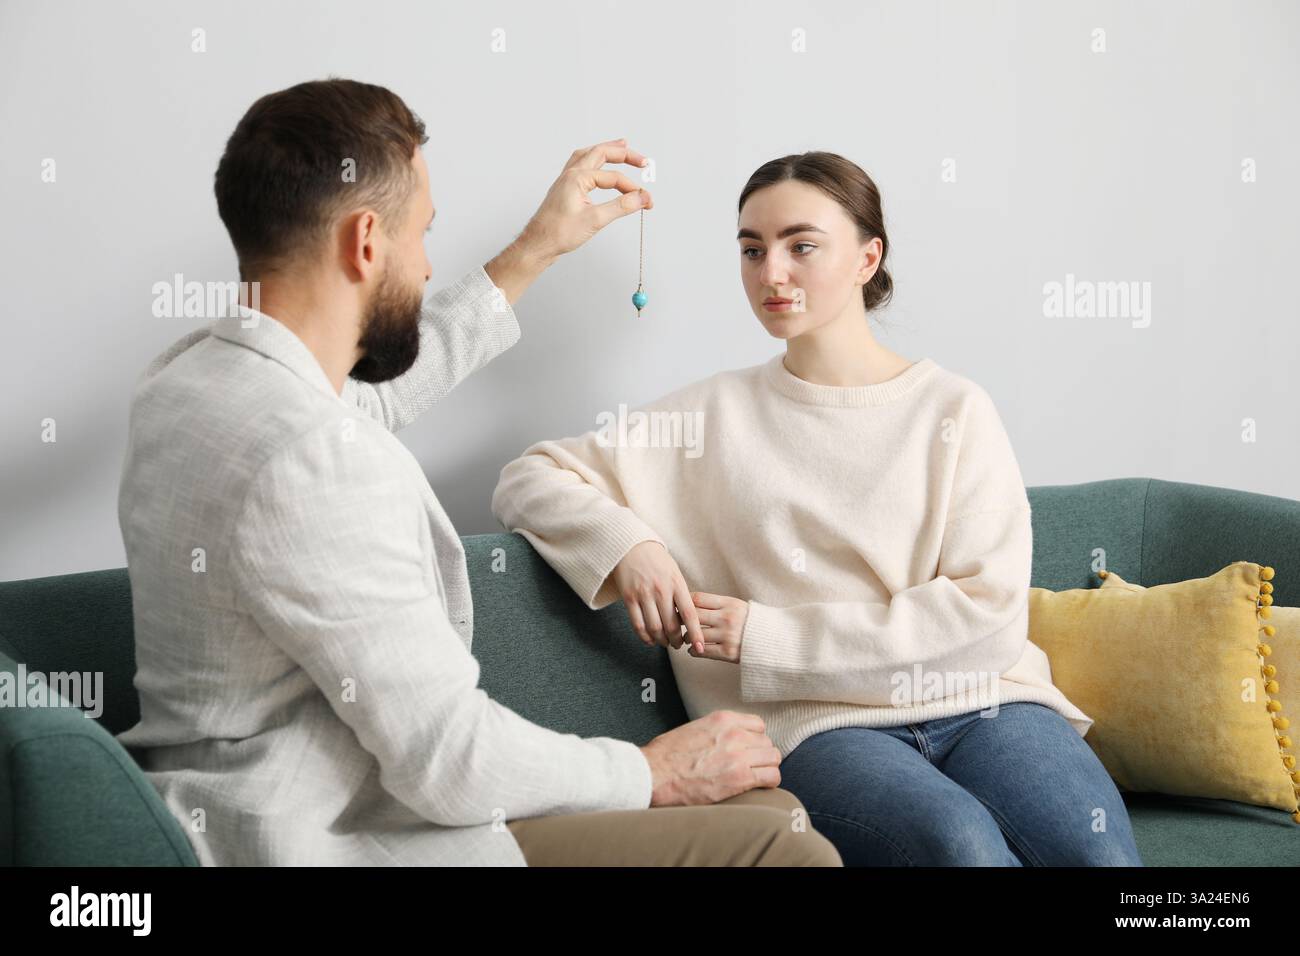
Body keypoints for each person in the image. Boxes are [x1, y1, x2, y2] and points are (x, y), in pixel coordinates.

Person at [115, 77, 840, 868]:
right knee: (783, 843)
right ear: (365, 242)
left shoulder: (187, 386)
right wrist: (649, 769)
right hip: (327, 841)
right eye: (423, 234)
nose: (428, 266)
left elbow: (359, 405)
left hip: (215, 811)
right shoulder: (312, 459)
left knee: (769, 806)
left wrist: (536, 249)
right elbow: (450, 764)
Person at [491, 150, 1145, 866]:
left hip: (990, 701)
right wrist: (628, 547)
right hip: (817, 728)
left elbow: (987, 619)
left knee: (1100, 854)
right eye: (752, 249)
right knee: (960, 848)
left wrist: (769, 639)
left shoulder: (953, 409)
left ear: (869, 257)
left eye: (801, 246)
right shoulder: (709, 417)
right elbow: (530, 477)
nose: (771, 273)